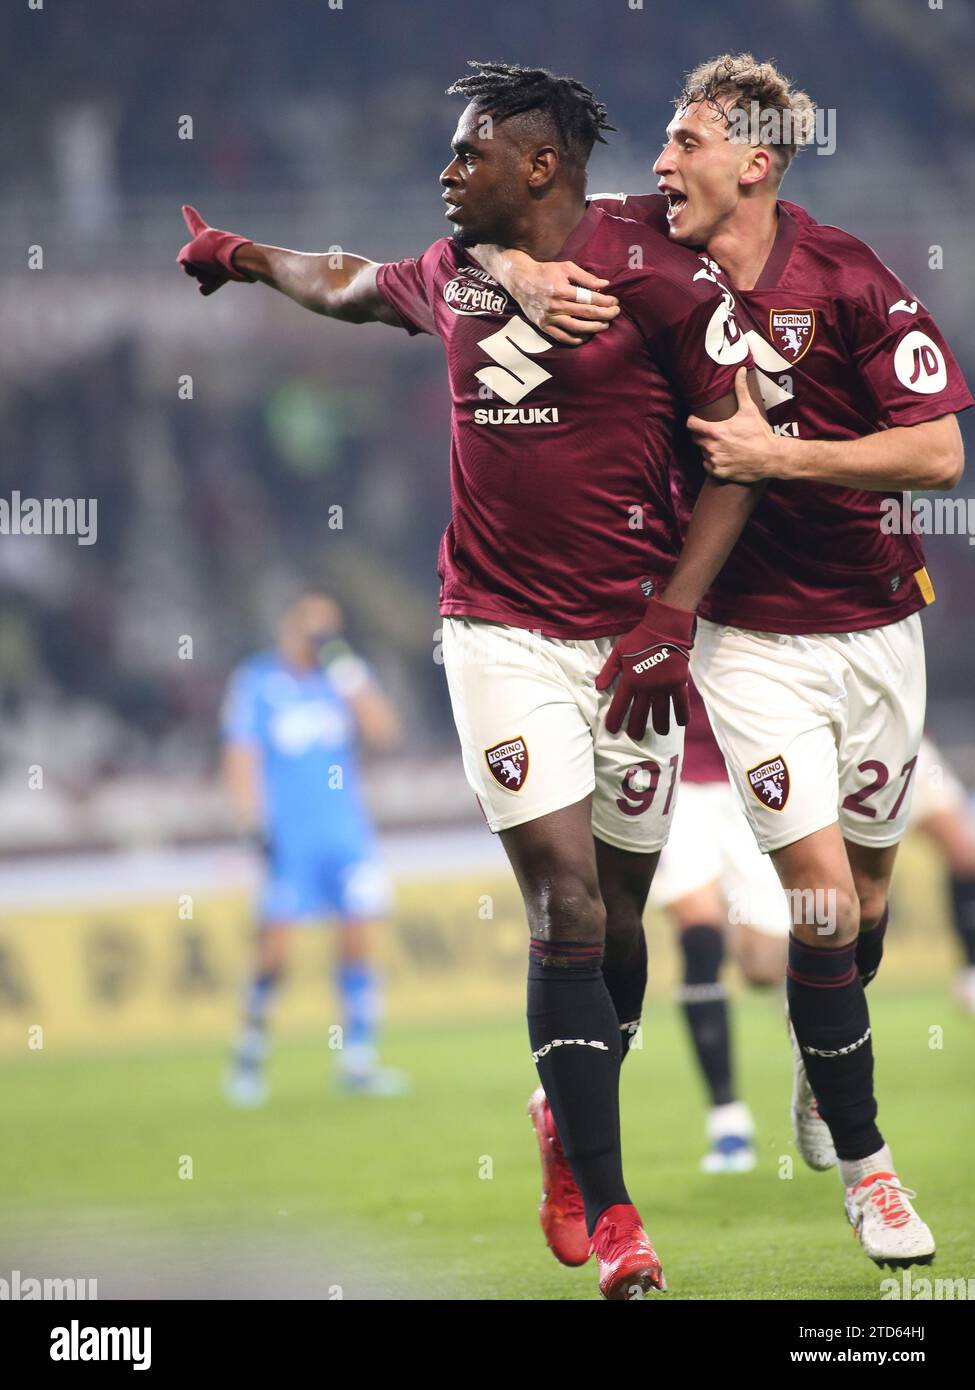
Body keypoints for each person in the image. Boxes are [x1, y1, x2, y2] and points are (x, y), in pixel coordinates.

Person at [179, 59, 766, 1298]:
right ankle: (616, 1216)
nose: (446, 172)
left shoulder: (654, 269)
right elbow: (341, 281)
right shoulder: (452, 273)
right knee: (563, 901)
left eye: (469, 152)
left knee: (619, 924)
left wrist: (673, 614)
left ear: (540, 165)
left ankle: (563, 1108)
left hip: (635, 645)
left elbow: (740, 459)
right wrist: (242, 255)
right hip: (495, 634)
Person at [474, 52, 971, 1268]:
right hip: (744, 643)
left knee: (857, 907)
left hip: (876, 628)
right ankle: (872, 1174)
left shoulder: (847, 277)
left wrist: (781, 459)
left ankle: (823, 1064)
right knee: (810, 900)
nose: (657, 163)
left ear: (754, 159)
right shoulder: (639, 242)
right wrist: (521, 266)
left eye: (684, 142)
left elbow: (941, 455)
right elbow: (481, 230)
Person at [221, 591, 404, 1103]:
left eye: (329, 631)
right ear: (289, 625)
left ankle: (359, 1060)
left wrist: (346, 670)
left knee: (357, 939)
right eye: (312, 628)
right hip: (290, 839)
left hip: (345, 834)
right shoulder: (257, 683)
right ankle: (249, 1055)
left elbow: (385, 731)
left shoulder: (342, 680)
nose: (319, 638)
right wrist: (251, 823)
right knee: (274, 950)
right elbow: (241, 756)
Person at [651, 682, 788, 1174]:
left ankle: (803, 1010)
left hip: (749, 776)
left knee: (763, 970)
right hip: (672, 777)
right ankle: (727, 1119)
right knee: (700, 934)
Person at [903, 736, 975, 1012]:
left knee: (963, 853)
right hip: (836, 738)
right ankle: (805, 974)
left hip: (898, 739)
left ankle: (971, 968)